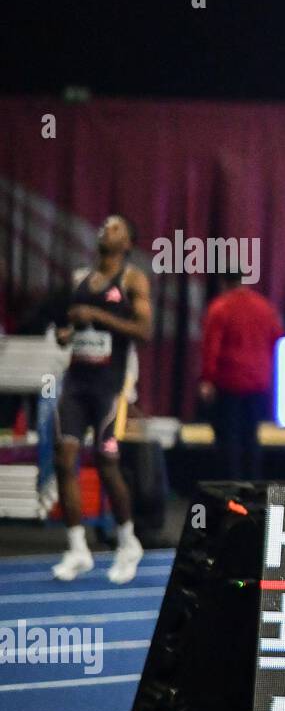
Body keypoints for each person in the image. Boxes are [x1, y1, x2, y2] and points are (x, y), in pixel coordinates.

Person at [51, 215, 153, 584]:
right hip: (76, 382)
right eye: (103, 226)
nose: (104, 230)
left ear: (126, 242)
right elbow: (78, 326)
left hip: (110, 386)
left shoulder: (131, 279)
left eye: (114, 227)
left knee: (106, 461)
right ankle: (77, 547)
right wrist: (67, 332)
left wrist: (96, 314)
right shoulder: (81, 279)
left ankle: (128, 542)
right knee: (64, 460)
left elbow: (143, 330)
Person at [198, 270, 285, 480]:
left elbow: (212, 347)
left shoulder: (219, 308)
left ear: (223, 282)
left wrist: (207, 379)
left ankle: (231, 487)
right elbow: (278, 337)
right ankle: (253, 484)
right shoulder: (264, 307)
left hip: (229, 381)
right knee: (251, 436)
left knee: (228, 439)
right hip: (258, 381)